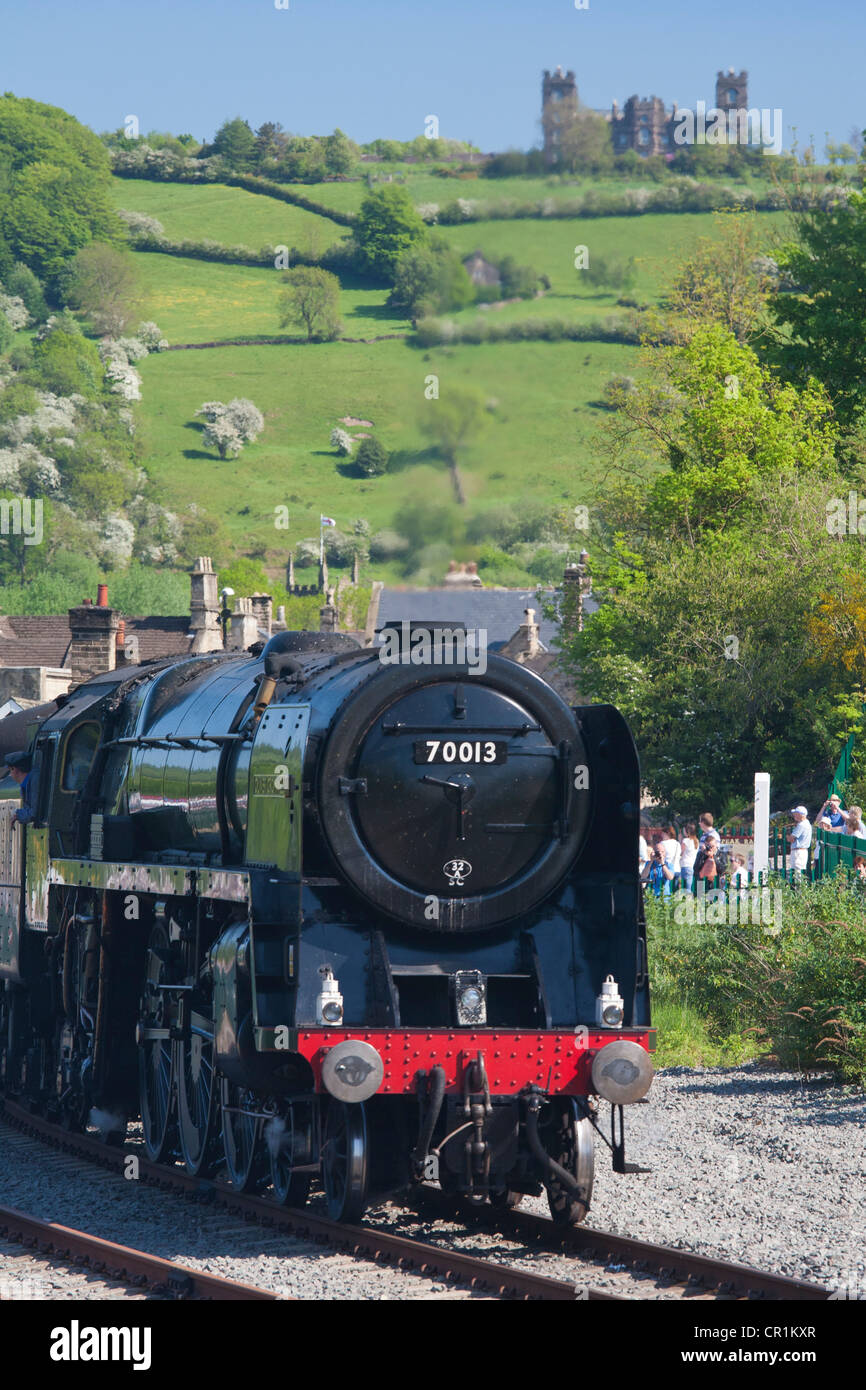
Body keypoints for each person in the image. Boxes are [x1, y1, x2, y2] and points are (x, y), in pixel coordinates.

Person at [1, 750, 37, 825]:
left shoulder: (35, 782)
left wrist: (17, 815)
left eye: (10, 770)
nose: (10, 774)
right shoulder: (27, 783)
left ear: (14, 769)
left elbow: (35, 813)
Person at [788, 805, 812, 878]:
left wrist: (787, 836)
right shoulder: (807, 824)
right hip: (802, 851)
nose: (794, 815)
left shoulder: (801, 825)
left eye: (796, 813)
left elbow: (792, 839)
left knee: (797, 871)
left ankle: (799, 888)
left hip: (798, 851)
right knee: (799, 871)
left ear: (800, 815)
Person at [658, 824, 681, 890]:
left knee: (667, 889)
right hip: (677, 868)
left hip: (668, 869)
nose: (661, 835)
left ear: (667, 834)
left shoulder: (663, 843)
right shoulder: (677, 843)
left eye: (663, 833)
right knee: (675, 891)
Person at [679, 823, 699, 893]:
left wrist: (680, 840)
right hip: (691, 866)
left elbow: (681, 853)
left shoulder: (685, 841)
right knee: (689, 888)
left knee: (682, 888)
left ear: (687, 831)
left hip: (684, 865)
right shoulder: (696, 841)